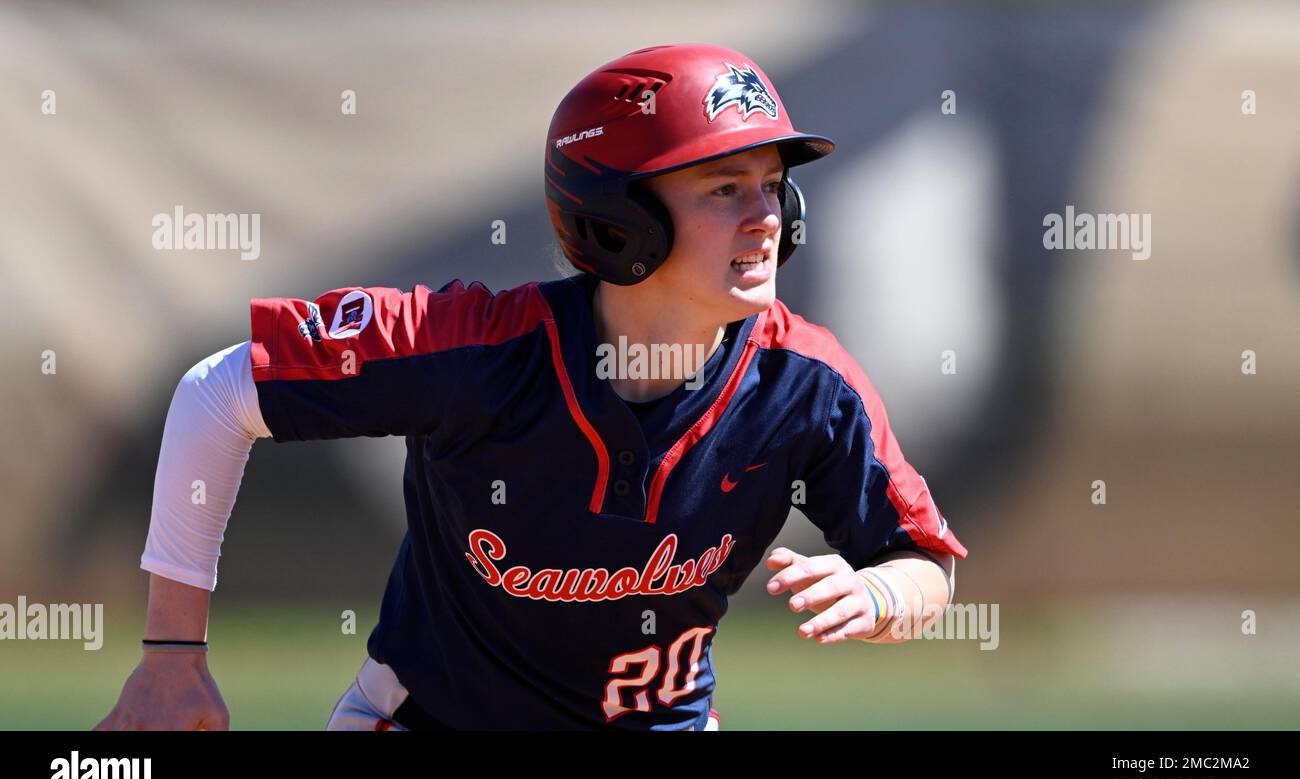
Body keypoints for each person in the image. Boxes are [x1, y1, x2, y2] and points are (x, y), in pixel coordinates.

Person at [95, 43, 967, 732]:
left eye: (775, 186)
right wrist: (172, 653)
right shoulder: (479, 349)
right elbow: (219, 392)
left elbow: (924, 563)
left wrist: (885, 592)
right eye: (723, 187)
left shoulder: (805, 383)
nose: (767, 215)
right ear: (619, 218)